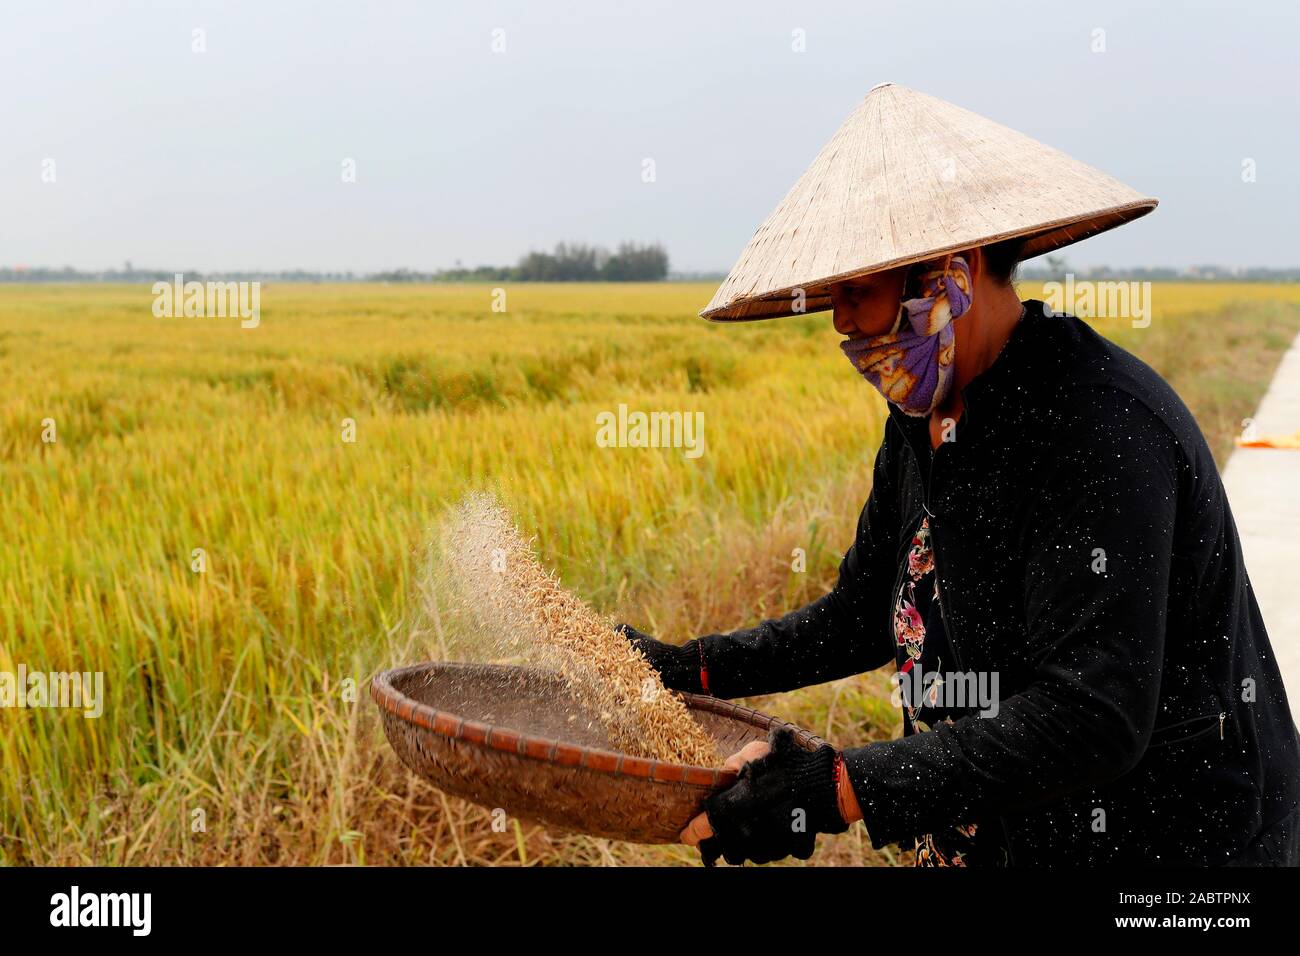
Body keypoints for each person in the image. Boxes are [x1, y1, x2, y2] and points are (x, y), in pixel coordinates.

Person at [619, 83, 1300, 867]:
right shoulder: (925, 417)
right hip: (1011, 830)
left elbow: (1092, 713)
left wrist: (835, 789)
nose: (840, 319)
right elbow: (864, 614)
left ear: (954, 273)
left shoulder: (1097, 427)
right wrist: (684, 667)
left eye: (858, 289)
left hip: (1167, 845)